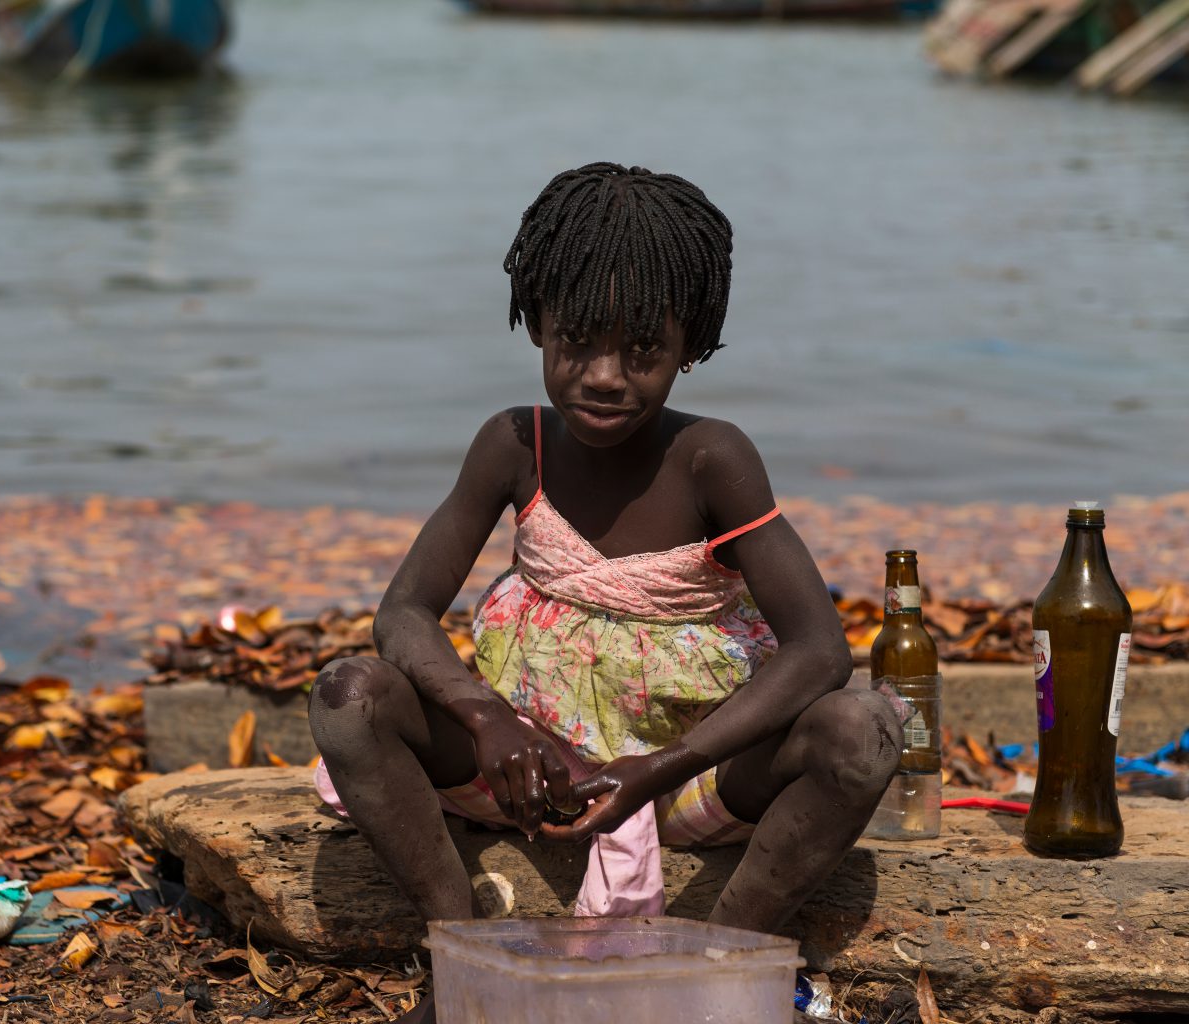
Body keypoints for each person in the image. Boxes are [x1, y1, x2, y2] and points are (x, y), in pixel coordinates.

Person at [308, 163, 903, 1023]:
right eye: (577, 342)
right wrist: (488, 719)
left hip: (683, 779)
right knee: (347, 695)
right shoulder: (514, 444)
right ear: (536, 325)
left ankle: (720, 959)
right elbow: (403, 612)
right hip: (524, 769)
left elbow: (819, 649)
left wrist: (654, 769)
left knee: (867, 727)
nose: (604, 376)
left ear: (690, 345)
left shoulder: (711, 459)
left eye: (643, 351)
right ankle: (460, 951)